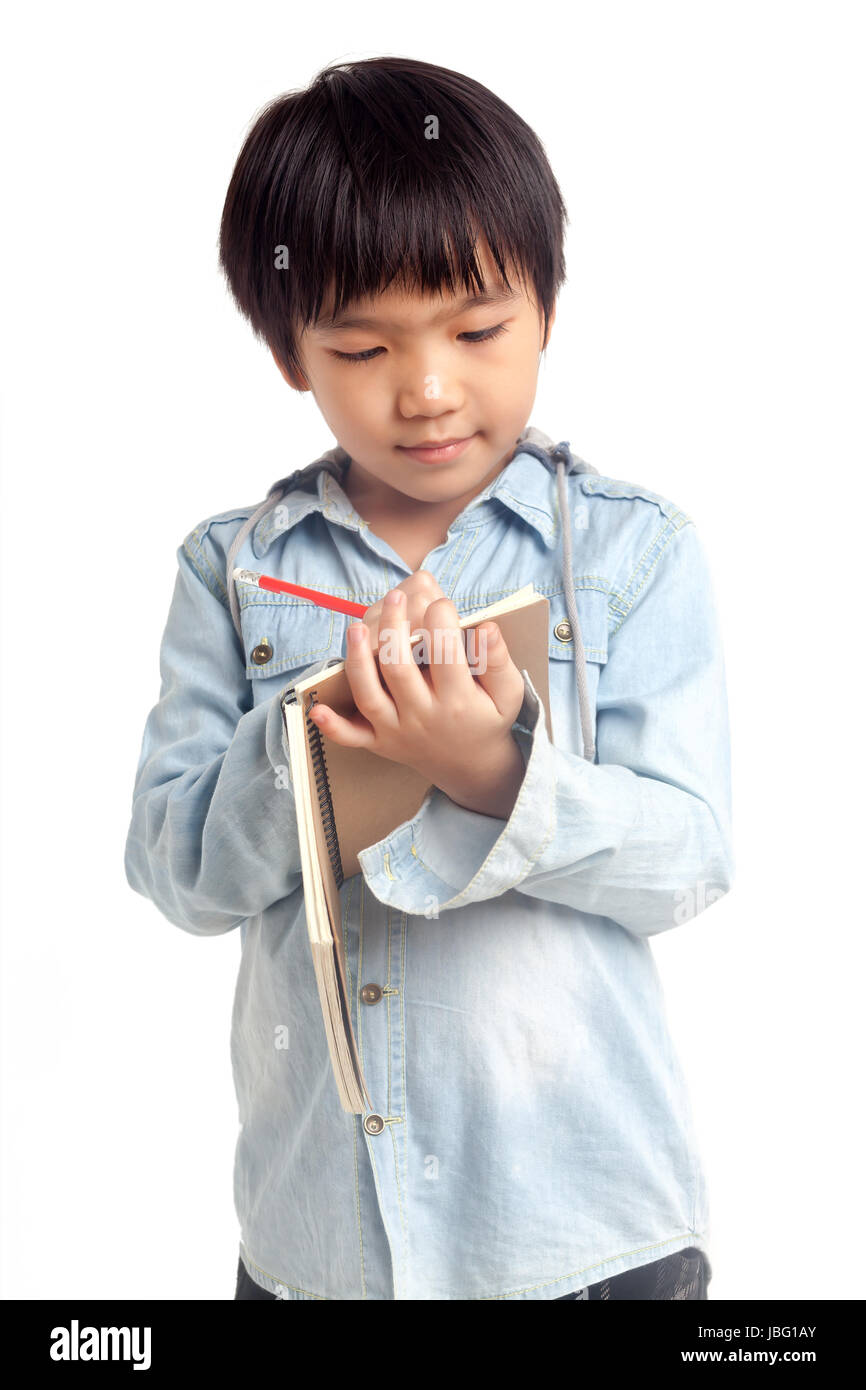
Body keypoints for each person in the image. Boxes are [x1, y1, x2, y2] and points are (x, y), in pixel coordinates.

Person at [124, 55, 733, 1301]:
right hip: (321, 1244)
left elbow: (687, 859)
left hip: (582, 1231)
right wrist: (316, 746)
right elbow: (176, 871)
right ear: (293, 353)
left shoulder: (631, 551)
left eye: (477, 329)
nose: (430, 388)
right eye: (361, 344)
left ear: (546, 311)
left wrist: (491, 771)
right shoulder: (230, 571)